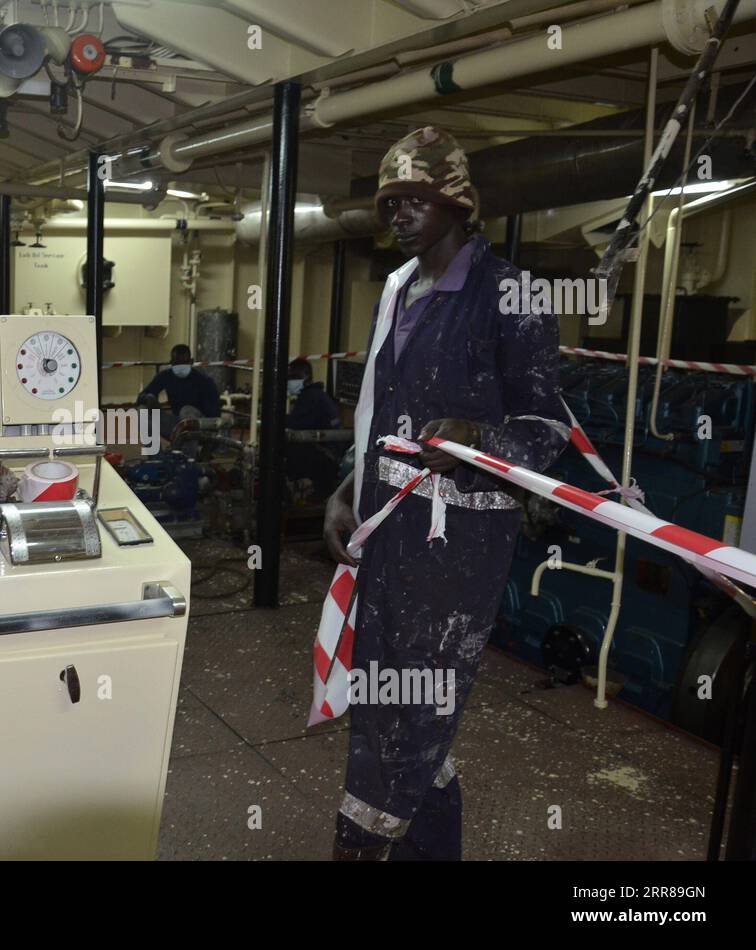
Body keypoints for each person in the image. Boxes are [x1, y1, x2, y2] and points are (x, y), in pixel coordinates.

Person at [322, 126, 569, 860]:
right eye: (390, 202)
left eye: (415, 201)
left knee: (409, 708)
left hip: (456, 545)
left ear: (458, 207)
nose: (398, 215)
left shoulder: (512, 295)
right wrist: (346, 492)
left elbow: (545, 427)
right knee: (388, 700)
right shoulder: (399, 292)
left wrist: (477, 437)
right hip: (390, 530)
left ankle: (359, 843)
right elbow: (377, 414)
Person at [137, 344, 222, 441]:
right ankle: (156, 455)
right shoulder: (166, 376)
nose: (181, 366)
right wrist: (148, 398)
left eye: (184, 362)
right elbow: (141, 396)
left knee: (187, 410)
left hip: (201, 429)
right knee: (142, 410)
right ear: (171, 363)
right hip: (178, 425)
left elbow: (214, 418)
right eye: (177, 363)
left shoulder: (204, 381)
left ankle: (190, 453)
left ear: (191, 362)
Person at [285, 358, 343, 488]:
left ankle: (299, 486)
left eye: (293, 377)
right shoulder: (316, 394)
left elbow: (295, 424)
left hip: (326, 457)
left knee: (286, 446)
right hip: (332, 454)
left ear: (305, 376)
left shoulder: (310, 398)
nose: (290, 382)